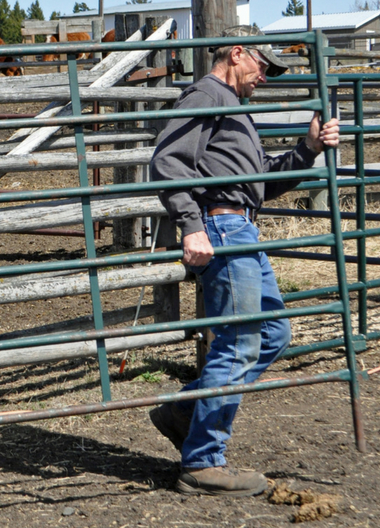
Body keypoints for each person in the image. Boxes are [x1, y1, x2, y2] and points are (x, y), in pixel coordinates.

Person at [147, 27, 340, 497]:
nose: (266, 78)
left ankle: (187, 411)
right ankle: (202, 462)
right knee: (238, 341)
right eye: (263, 67)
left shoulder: (234, 108)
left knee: (273, 333)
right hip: (221, 229)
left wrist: (308, 150)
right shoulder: (205, 96)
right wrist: (192, 224)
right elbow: (168, 162)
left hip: (241, 227)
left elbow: (257, 183)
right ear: (237, 54)